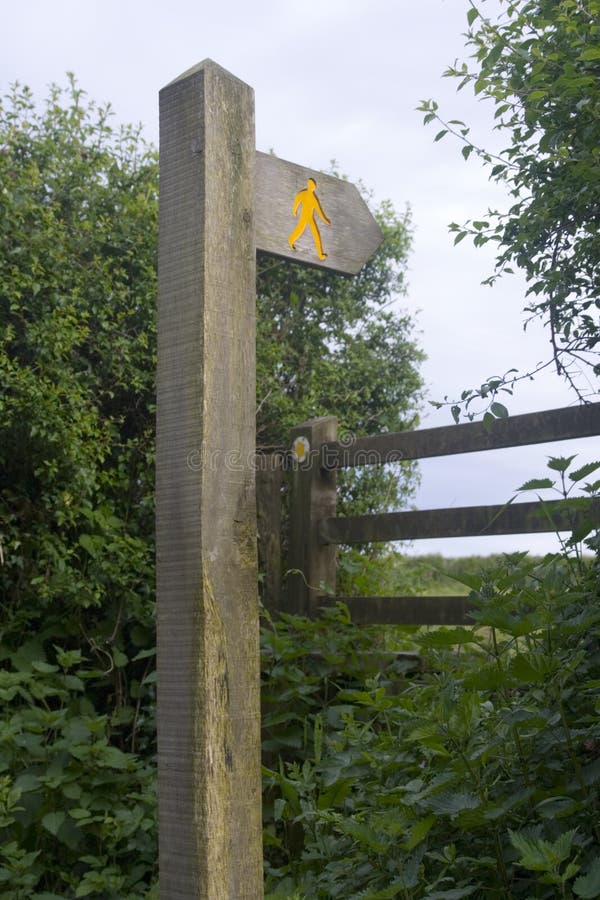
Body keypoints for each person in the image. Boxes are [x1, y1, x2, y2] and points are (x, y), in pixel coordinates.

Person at [288, 177, 331, 260]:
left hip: (310, 218)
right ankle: (291, 240)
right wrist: (294, 210)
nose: (312, 187)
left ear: (314, 187)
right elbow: (297, 200)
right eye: (311, 185)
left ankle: (320, 255)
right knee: (299, 231)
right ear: (309, 185)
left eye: (313, 185)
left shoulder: (314, 199)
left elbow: (319, 211)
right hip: (304, 217)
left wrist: (325, 220)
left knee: (316, 235)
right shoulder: (303, 194)